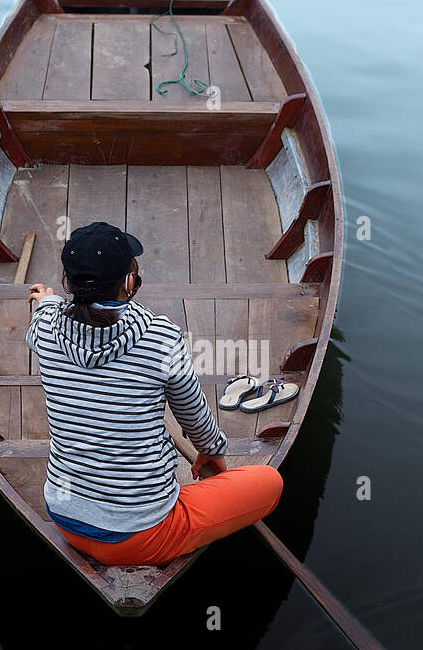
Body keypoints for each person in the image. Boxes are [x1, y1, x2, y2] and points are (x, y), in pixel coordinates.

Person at [25, 221, 283, 565]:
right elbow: (193, 417)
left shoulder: (44, 328)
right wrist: (212, 451)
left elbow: (48, 315)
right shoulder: (159, 337)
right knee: (269, 482)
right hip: (144, 535)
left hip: (64, 517)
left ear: (68, 282)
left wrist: (47, 302)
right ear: (130, 282)